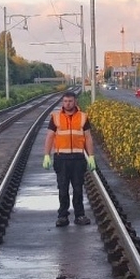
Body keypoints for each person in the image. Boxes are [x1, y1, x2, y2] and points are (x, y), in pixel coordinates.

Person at [42, 91, 94, 226]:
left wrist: (91, 156)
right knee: (63, 188)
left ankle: (80, 215)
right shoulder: (56, 117)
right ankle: (62, 216)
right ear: (62, 102)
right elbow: (49, 136)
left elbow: (88, 137)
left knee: (78, 188)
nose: (67, 104)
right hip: (62, 159)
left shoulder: (83, 117)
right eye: (65, 101)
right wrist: (46, 155)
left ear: (75, 101)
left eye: (70, 101)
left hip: (78, 158)